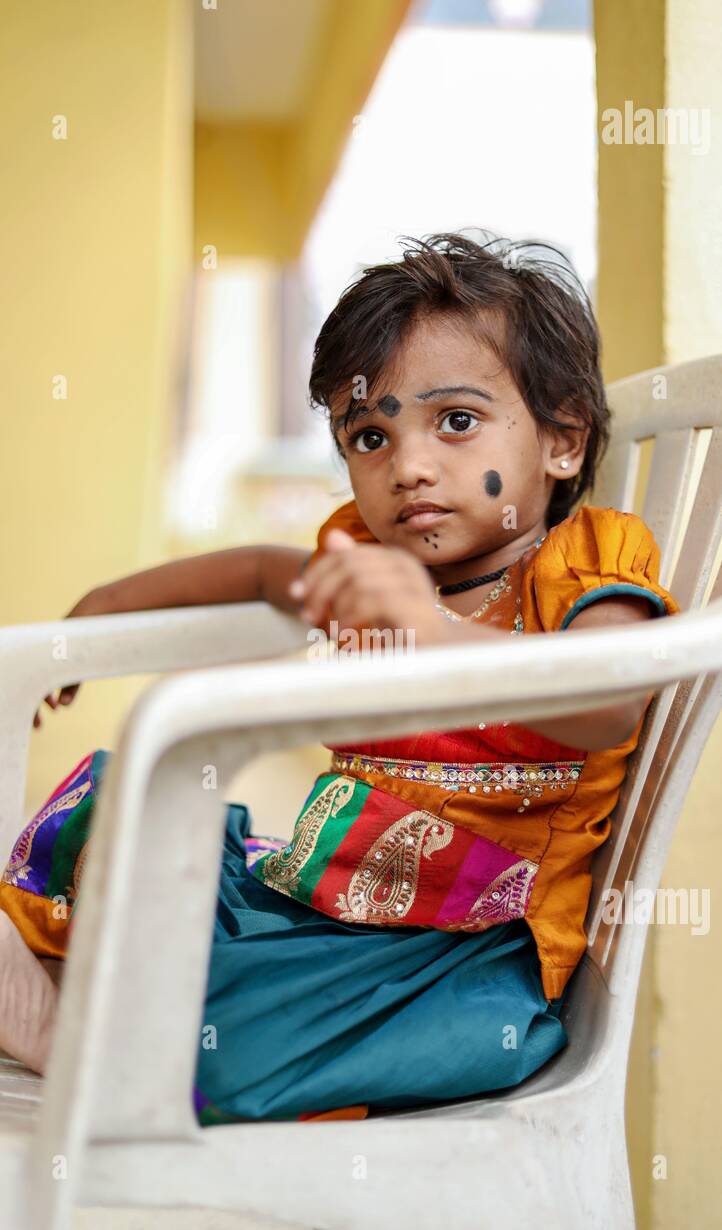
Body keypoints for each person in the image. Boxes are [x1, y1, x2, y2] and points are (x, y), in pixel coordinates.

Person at [0, 231, 680, 1124]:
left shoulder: (588, 565)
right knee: (138, 816)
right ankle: (89, 996)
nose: (409, 467)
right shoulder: (365, 559)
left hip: (464, 958)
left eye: (457, 421)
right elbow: (256, 573)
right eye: (370, 434)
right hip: (322, 896)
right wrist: (106, 606)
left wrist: (425, 627)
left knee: (250, 1009)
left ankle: (77, 1028)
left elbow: (607, 700)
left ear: (561, 442)